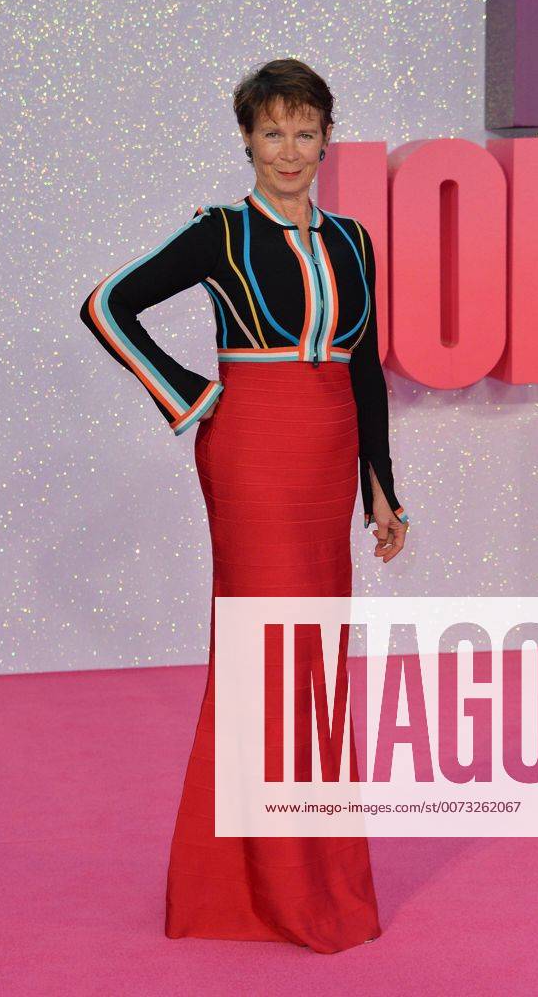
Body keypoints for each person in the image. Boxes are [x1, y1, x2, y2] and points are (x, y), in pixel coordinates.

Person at [79, 58, 409, 954]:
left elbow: (364, 368)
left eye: (305, 132)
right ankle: (249, 885)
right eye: (272, 133)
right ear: (247, 140)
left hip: (329, 456)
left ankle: (310, 871)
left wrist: (380, 487)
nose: (289, 151)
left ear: (326, 139)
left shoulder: (353, 240)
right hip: (253, 454)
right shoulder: (220, 232)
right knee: (268, 655)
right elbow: (107, 306)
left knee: (316, 662)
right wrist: (189, 394)